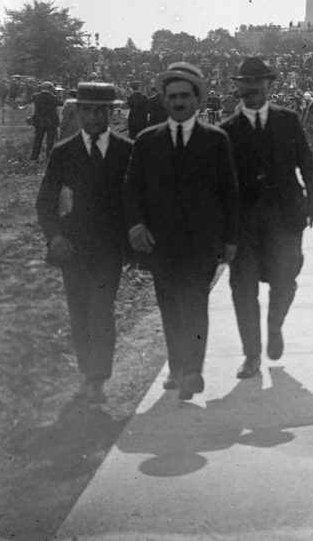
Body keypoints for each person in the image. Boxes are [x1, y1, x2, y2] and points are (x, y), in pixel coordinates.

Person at [123, 62, 239, 402]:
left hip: (202, 242)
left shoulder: (216, 141)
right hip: (161, 242)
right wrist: (136, 223)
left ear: (197, 100)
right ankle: (176, 367)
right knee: (169, 305)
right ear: (164, 100)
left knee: (195, 303)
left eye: (185, 96)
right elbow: (131, 189)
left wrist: (230, 238)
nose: (178, 102)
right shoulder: (147, 141)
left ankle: (193, 371)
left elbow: (230, 193)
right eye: (172, 96)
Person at [219, 57, 313, 379]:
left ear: (268, 85)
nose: (250, 90)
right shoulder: (228, 131)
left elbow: (306, 165)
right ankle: (251, 354)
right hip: (245, 221)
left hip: (285, 217)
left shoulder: (288, 121)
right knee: (242, 286)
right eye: (244, 84)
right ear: (238, 88)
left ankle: (275, 325)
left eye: (257, 83)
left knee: (285, 280)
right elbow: (221, 184)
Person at [36, 82, 132, 404]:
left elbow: (136, 200)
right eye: (86, 109)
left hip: (110, 247)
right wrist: (55, 237)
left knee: (101, 309)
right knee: (79, 311)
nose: (92, 116)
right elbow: (45, 202)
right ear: (78, 110)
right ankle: (86, 371)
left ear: (111, 111)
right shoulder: (64, 152)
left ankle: (97, 378)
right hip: (73, 247)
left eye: (99, 110)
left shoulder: (126, 150)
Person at [30, 81, 61, 159]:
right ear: (51, 88)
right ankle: (49, 156)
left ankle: (34, 156)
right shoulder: (53, 97)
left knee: (38, 140)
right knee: (50, 141)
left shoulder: (36, 96)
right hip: (51, 121)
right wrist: (56, 93)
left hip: (39, 121)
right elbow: (60, 103)